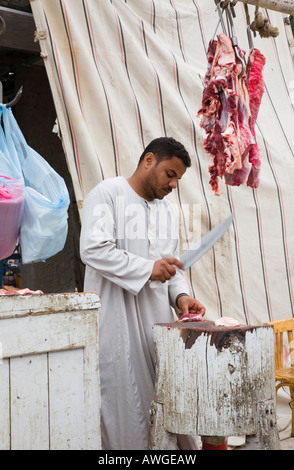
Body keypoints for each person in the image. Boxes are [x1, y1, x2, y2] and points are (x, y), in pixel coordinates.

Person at [80, 137, 206, 450]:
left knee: (169, 411)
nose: (174, 184)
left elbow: (172, 269)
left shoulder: (168, 212)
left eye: (178, 178)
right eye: (170, 174)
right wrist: (148, 268)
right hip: (115, 325)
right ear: (149, 160)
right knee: (123, 413)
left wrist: (181, 299)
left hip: (156, 329)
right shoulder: (107, 194)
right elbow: (93, 248)